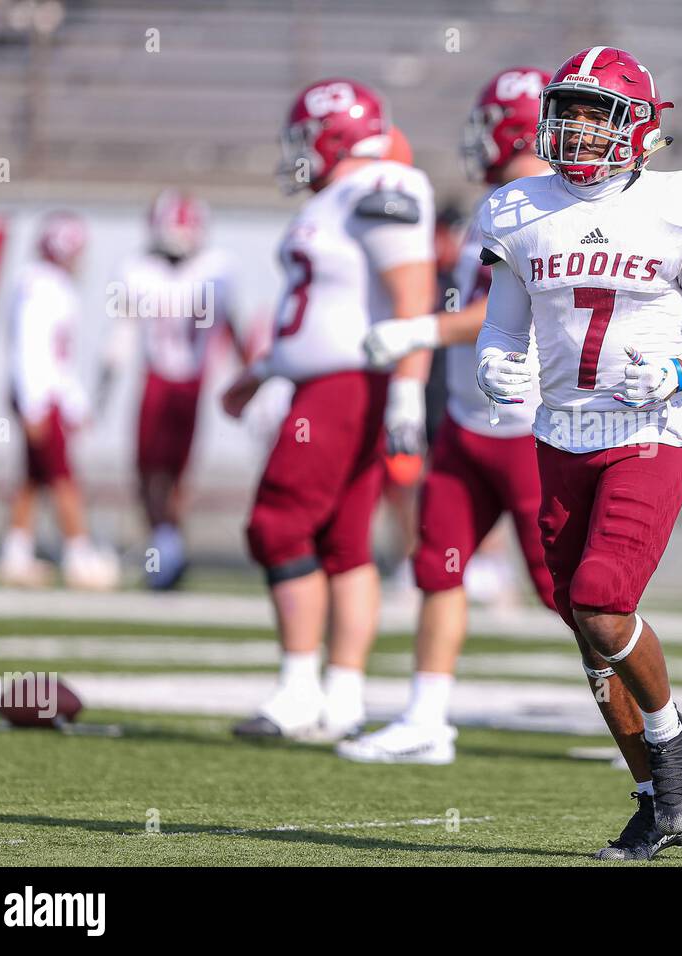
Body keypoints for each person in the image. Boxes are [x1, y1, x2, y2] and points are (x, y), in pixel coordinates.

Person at [474, 47, 682, 859]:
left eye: (596, 113)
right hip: (560, 432)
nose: (576, 127)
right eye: (567, 110)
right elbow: (503, 320)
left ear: (638, 127)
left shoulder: (678, 204)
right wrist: (496, 363)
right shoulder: (517, 208)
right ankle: (653, 799)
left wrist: (681, 369)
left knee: (603, 602)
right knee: (583, 623)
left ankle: (673, 754)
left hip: (646, 432)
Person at [338, 66, 556, 765]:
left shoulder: (541, 209)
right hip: (470, 424)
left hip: (530, 428)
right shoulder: (499, 203)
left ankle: (646, 724)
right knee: (438, 566)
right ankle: (427, 716)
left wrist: (421, 332)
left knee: (571, 590)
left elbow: (497, 316)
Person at [225, 79, 436, 742]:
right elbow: (323, 311)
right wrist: (260, 372)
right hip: (327, 380)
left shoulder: (381, 185)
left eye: (305, 139)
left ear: (334, 135)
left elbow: (413, 296)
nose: (298, 154)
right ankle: (342, 696)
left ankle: (298, 690)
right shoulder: (341, 196)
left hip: (348, 384)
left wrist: (408, 389)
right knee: (344, 543)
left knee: (276, 524)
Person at [110, 189, 239, 589]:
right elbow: (123, 333)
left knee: (166, 474)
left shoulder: (214, 270)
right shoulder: (144, 269)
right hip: (166, 380)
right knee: (152, 472)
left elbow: (230, 331)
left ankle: (166, 550)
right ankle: (166, 549)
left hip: (181, 382)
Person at [0, 212, 119, 591]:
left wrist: (75, 402)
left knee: (33, 478)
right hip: (38, 396)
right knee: (63, 477)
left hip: (46, 395)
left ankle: (15, 553)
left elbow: (58, 357)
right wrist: (35, 404)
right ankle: (79, 555)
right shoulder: (38, 286)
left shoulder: (55, 286)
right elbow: (29, 351)